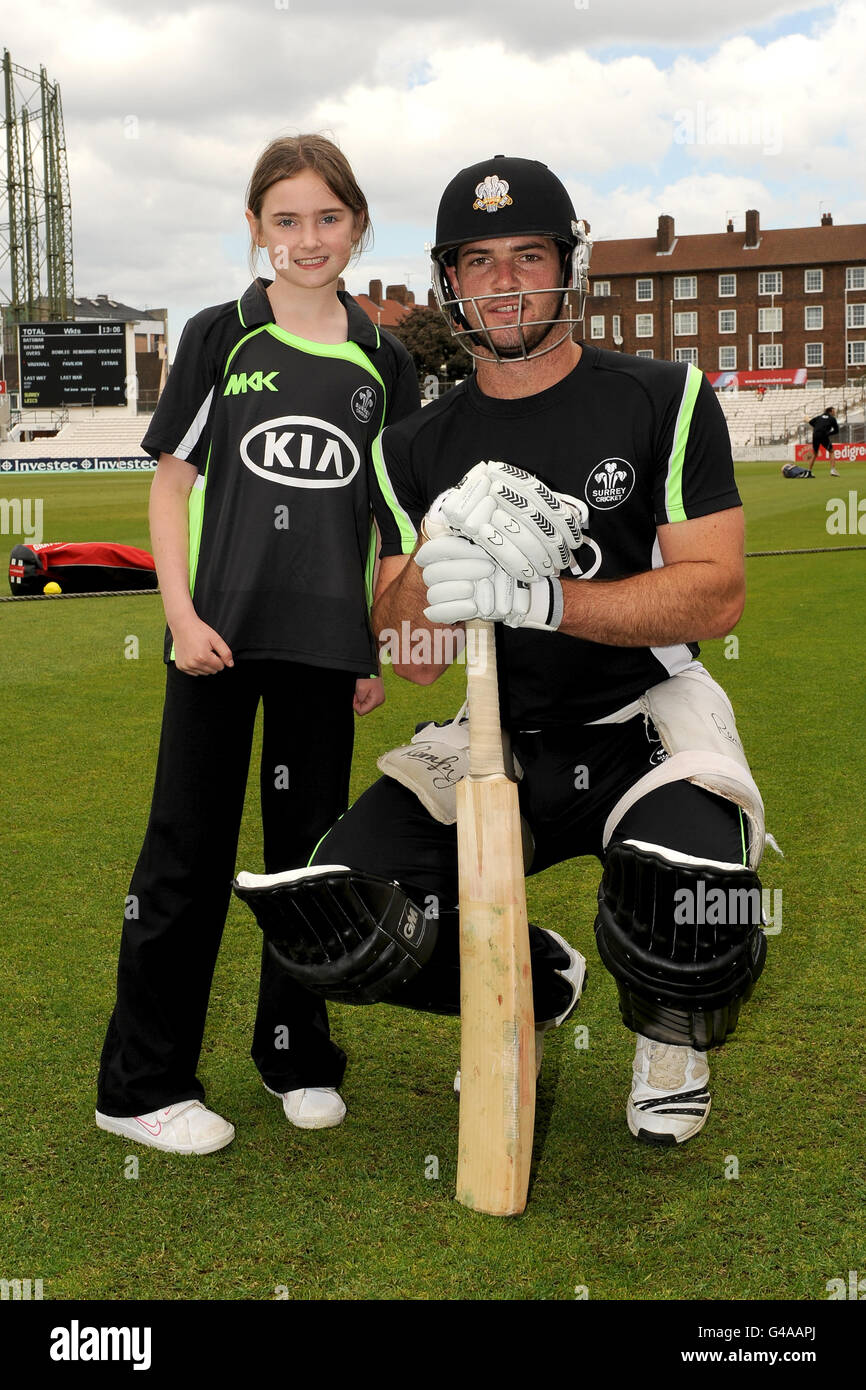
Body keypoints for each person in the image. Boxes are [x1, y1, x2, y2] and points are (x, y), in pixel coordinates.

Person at [236, 156, 769, 1148]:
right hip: (493, 737)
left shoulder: (662, 397)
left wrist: (541, 597)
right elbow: (411, 653)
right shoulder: (414, 446)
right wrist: (436, 545)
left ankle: (667, 1032)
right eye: (477, 263)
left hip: (640, 725)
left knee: (688, 904)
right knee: (339, 919)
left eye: (528, 256)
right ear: (449, 281)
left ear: (568, 265)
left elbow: (715, 590)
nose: (504, 283)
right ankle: (537, 975)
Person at [95, 134, 420, 1154]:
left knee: (305, 865)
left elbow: (388, 522)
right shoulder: (218, 334)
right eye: (285, 219)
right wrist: (181, 618)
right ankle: (140, 1085)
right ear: (253, 228)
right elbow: (171, 483)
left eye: (327, 217)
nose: (307, 238)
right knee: (184, 858)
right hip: (217, 638)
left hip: (323, 646)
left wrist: (369, 648)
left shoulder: (387, 358)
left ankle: (295, 1054)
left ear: (357, 225)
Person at [804, 406, 840, 475]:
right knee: (831, 451)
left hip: (815, 435)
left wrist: (817, 426)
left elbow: (811, 422)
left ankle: (809, 471)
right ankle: (832, 470)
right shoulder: (832, 419)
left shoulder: (819, 417)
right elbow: (836, 430)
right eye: (834, 411)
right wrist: (828, 433)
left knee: (815, 453)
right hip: (823, 435)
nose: (835, 412)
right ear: (830, 411)